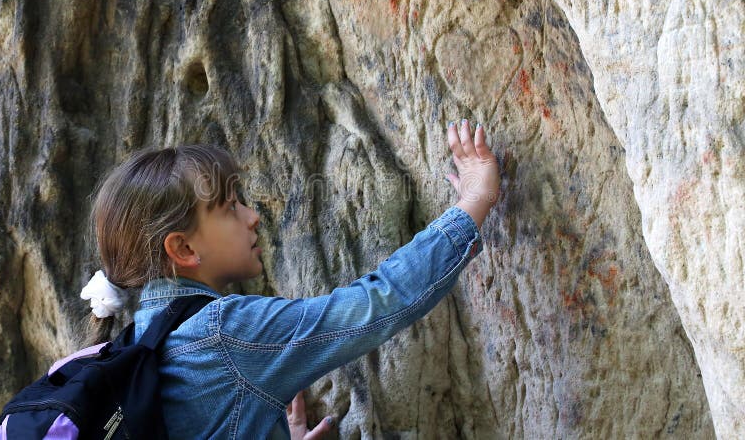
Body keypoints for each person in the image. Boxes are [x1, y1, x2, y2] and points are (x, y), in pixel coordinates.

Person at [79, 119, 499, 439]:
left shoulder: (133, 346)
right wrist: (474, 202)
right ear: (184, 249)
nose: (252, 217)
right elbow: (378, 303)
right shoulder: (224, 334)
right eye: (230, 208)